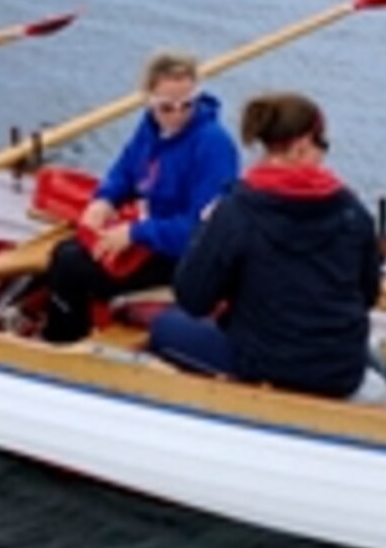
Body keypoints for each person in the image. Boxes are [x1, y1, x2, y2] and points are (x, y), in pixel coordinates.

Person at [153, 91, 380, 400]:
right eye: (323, 144)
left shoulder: (236, 210)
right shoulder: (354, 212)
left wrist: (203, 230)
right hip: (341, 371)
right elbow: (369, 295)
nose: (324, 154)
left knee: (165, 326)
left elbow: (193, 298)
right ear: (301, 147)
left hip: (264, 365)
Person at [36, 52, 242, 344]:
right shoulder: (151, 129)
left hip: (186, 257)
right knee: (66, 251)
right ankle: (70, 326)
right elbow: (126, 171)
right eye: (166, 108)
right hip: (157, 235)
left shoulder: (213, 146)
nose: (178, 115)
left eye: (187, 105)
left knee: (70, 266)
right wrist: (105, 200)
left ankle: (62, 341)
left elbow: (203, 230)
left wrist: (136, 233)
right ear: (149, 100)